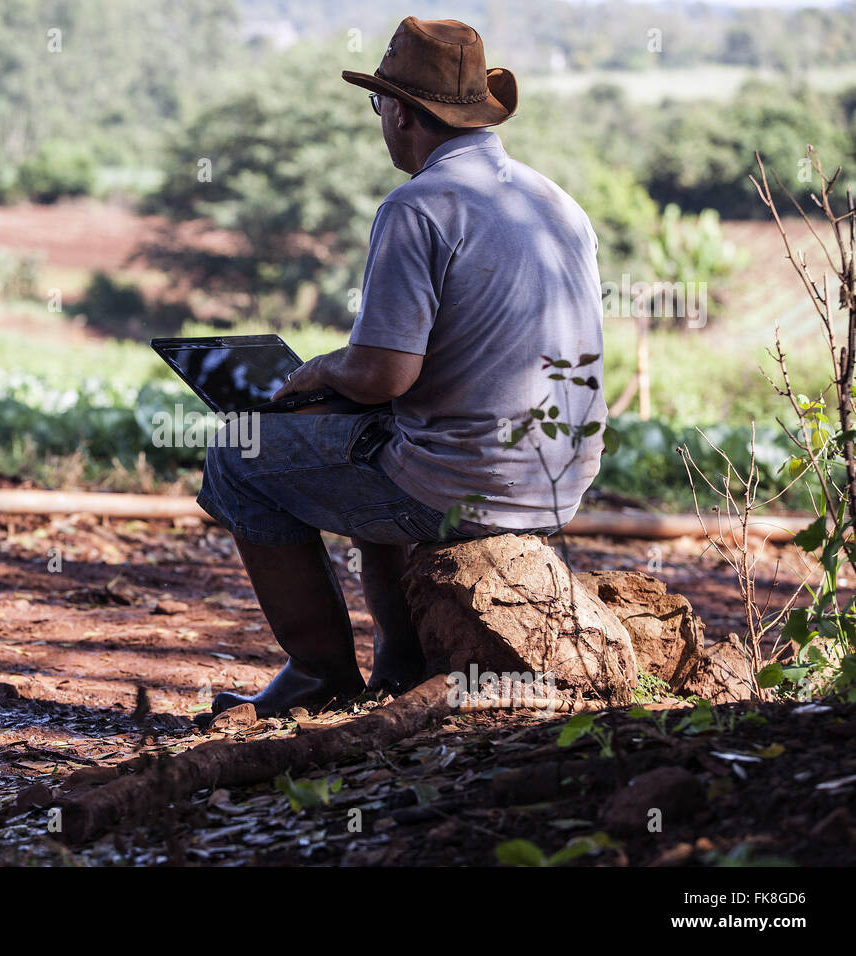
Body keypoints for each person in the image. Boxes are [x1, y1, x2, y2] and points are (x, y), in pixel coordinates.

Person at [195, 17, 607, 718]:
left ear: (403, 113)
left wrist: (324, 370)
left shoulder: (418, 205)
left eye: (380, 105)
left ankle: (318, 673)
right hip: (560, 477)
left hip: (464, 481)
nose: (380, 119)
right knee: (364, 442)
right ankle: (399, 663)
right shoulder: (555, 203)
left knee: (236, 454)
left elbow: (385, 375)